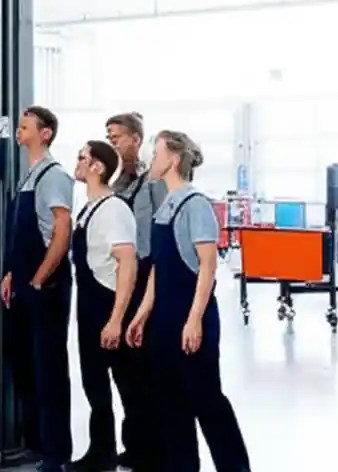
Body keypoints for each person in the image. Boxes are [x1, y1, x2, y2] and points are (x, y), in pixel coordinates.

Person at [126, 131, 251, 472]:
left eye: (157, 153)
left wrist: (194, 319)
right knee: (172, 405)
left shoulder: (195, 205)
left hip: (191, 318)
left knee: (207, 400)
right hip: (164, 321)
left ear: (174, 159)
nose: (152, 159)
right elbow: (158, 270)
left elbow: (207, 267)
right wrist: (141, 314)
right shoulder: (165, 204)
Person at [0, 106, 75, 472]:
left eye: (25, 125)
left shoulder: (53, 176)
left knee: (49, 370)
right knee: (25, 366)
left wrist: (39, 278)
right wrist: (14, 273)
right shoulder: (28, 176)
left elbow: (62, 230)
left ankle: (56, 453)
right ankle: (35, 443)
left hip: (46, 287)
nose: (19, 129)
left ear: (45, 133)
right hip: (25, 284)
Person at [70, 140, 148, 472]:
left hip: (108, 304)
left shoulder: (113, 209)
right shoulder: (88, 207)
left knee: (127, 384)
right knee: (95, 384)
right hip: (88, 303)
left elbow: (127, 264)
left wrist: (116, 320)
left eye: (82, 158)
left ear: (97, 167)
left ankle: (142, 451)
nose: (77, 162)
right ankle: (101, 451)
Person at [104, 112, 166, 471]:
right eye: (108, 137)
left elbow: (158, 235)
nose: (112, 142)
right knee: (124, 369)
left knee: (146, 368)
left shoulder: (151, 182)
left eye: (117, 137)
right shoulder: (115, 185)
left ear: (136, 140)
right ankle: (135, 443)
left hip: (145, 278)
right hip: (118, 280)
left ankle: (155, 449)